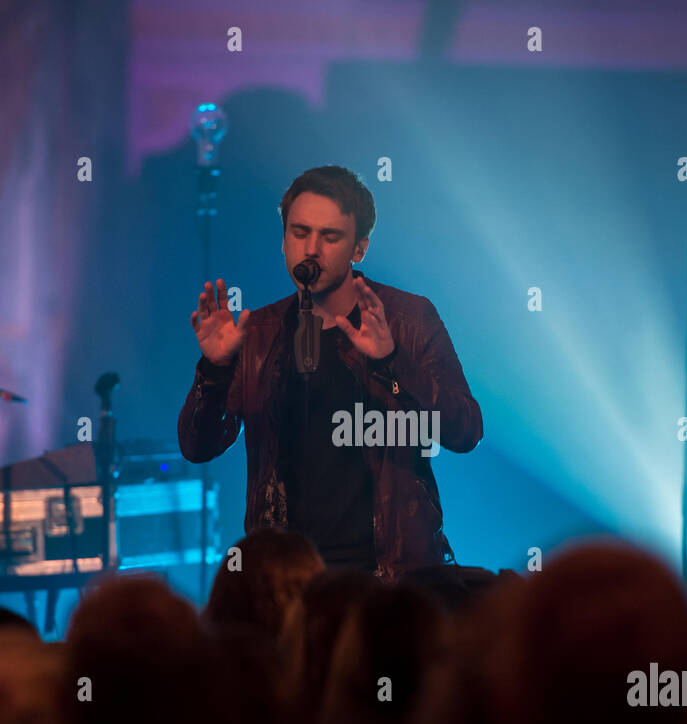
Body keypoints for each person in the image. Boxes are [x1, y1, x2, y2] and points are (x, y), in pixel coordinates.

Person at [178, 165, 482, 578]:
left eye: (330, 236)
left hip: (392, 581)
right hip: (289, 585)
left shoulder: (408, 319)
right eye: (299, 232)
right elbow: (199, 447)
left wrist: (392, 360)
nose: (311, 249)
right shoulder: (259, 333)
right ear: (283, 241)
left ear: (359, 248)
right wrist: (215, 370)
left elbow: (464, 430)